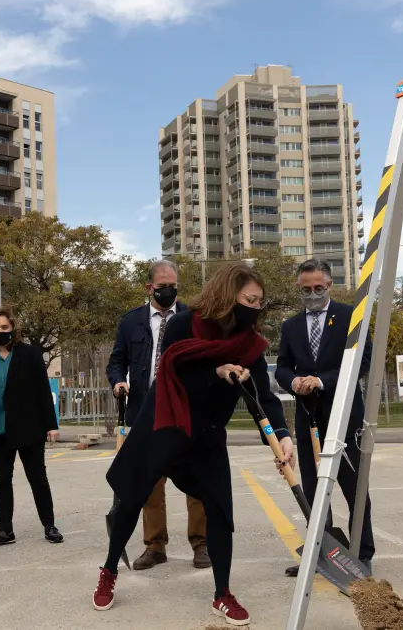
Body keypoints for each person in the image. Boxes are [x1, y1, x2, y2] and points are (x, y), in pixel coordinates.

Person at [93, 263, 295, 627]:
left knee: (219, 509)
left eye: (260, 302)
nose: (255, 307)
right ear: (227, 293)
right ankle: (108, 570)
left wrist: (281, 436)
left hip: (206, 435)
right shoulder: (185, 324)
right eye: (249, 299)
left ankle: (222, 592)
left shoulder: (250, 344)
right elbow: (173, 367)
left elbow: (263, 396)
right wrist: (216, 370)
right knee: (130, 499)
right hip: (163, 423)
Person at [106, 259, 209, 570]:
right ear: (149, 287)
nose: (169, 291)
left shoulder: (193, 318)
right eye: (162, 286)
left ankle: (202, 544)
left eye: (173, 286)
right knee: (151, 481)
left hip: (185, 408)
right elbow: (116, 362)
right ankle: (155, 546)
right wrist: (118, 381)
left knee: (195, 477)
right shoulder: (131, 322)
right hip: (144, 409)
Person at [275, 259, 375, 577]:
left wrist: (321, 381)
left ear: (330, 285)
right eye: (306, 289)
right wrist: (293, 382)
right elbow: (282, 367)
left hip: (344, 416)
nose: (313, 294)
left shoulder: (349, 317)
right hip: (309, 419)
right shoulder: (290, 327)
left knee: (352, 485)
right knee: (314, 487)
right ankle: (324, 553)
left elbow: (364, 359)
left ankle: (363, 553)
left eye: (318, 288)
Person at [0, 309, 64, 548]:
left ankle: (49, 525)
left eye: (5, 327)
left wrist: (51, 425)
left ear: (13, 328)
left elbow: (43, 391)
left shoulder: (30, 354)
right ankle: (5, 531)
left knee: (37, 478)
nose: (1, 332)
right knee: (1, 480)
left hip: (28, 428)